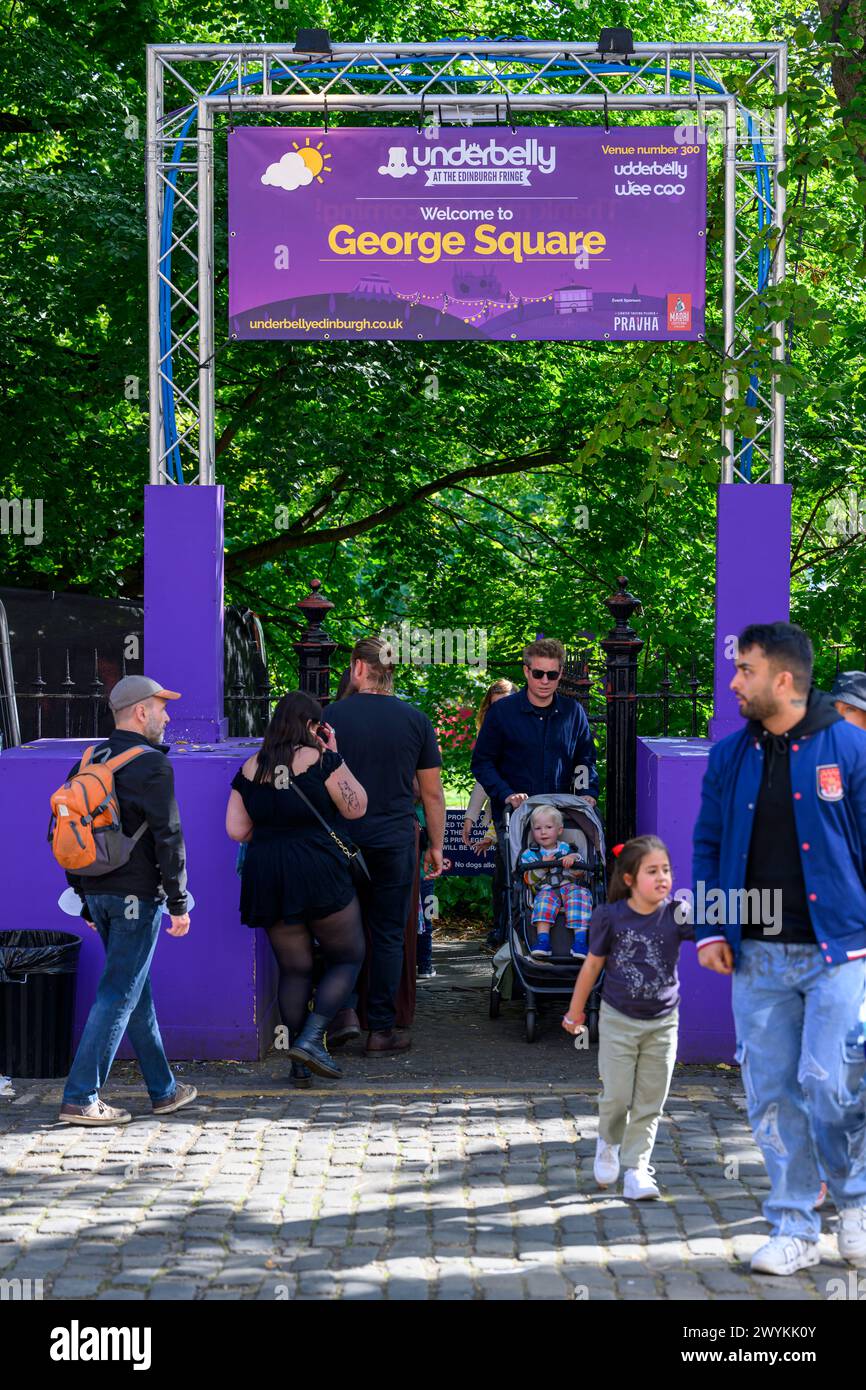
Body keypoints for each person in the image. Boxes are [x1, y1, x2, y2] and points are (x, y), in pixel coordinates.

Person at [693, 622, 866, 1276]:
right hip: (757, 956)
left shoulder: (851, 750)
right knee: (770, 1096)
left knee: (832, 1088)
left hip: (841, 952)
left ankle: (855, 1203)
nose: (734, 682)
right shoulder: (728, 756)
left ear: (783, 680)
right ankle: (793, 1225)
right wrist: (713, 928)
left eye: (746, 670)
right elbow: (708, 844)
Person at [58, 675, 196, 1127]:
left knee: (135, 990)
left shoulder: (89, 759)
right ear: (141, 712)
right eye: (161, 707)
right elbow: (168, 837)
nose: (167, 715)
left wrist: (82, 894)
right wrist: (178, 902)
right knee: (119, 992)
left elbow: (66, 830)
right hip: (137, 897)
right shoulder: (152, 766)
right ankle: (81, 1097)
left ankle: (165, 1090)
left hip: (96, 893)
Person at [226, 691, 368, 1083]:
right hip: (318, 867)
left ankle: (296, 1064)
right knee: (348, 956)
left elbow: (237, 830)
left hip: (267, 871)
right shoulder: (321, 759)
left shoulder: (251, 766)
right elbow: (356, 807)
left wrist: (275, 831)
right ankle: (310, 1038)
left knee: (294, 969)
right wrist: (335, 752)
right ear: (311, 725)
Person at [326, 638, 446, 1053]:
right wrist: (436, 846)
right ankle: (381, 1028)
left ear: (358, 668)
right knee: (390, 933)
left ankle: (342, 1013)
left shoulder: (329, 718)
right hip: (395, 839)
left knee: (338, 931)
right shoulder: (415, 720)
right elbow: (432, 794)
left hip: (341, 841)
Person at [563, 836, 693, 1200]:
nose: (663, 877)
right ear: (631, 879)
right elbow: (592, 966)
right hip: (619, 1019)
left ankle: (636, 1169)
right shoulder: (611, 917)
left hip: (663, 1023)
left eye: (666, 870)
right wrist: (575, 1012)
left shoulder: (676, 913)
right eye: (652, 871)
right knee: (618, 1094)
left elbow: (714, 936)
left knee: (651, 1099)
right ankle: (608, 1140)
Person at [471, 639, 599, 950]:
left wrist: (586, 792)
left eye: (552, 675)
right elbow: (482, 762)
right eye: (538, 674)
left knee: (566, 881)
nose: (544, 681)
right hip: (514, 814)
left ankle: (557, 948)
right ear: (526, 671)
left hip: (559, 817)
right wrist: (506, 793)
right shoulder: (502, 713)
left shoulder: (572, 713)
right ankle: (513, 951)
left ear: (560, 674)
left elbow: (585, 758)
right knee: (515, 881)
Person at [462, 678, 515, 950]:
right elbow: (484, 779)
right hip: (501, 814)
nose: (499, 712)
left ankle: (514, 933)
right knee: (502, 876)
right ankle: (501, 931)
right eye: (494, 707)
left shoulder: (523, 730)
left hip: (530, 812)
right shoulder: (489, 735)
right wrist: (471, 817)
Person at [518, 804, 593, 959]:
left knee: (581, 895)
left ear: (559, 830)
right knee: (543, 903)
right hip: (545, 891)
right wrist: (541, 867)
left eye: (548, 827)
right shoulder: (530, 854)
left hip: (569, 887)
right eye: (538, 828)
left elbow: (580, 872)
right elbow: (528, 880)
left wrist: (573, 860)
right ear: (533, 831)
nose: (543, 832)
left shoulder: (567, 849)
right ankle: (543, 941)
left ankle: (580, 943)